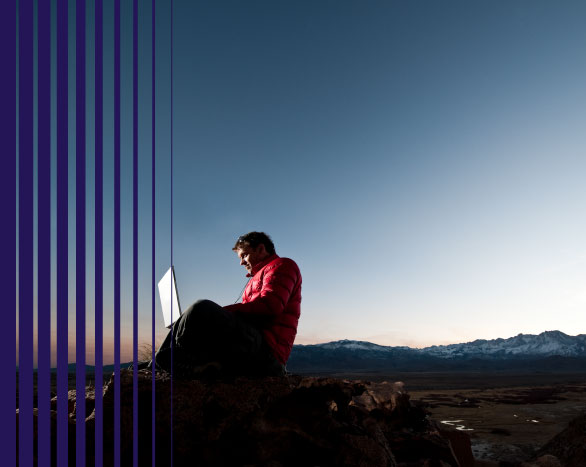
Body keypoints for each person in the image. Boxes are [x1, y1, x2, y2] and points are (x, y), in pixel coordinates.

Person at [153, 231, 302, 378]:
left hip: (267, 352)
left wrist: (222, 312)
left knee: (201, 308)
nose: (241, 262)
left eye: (244, 255)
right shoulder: (257, 277)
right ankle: (165, 362)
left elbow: (271, 306)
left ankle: (174, 360)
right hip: (253, 347)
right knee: (188, 318)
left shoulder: (282, 265)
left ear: (261, 249)